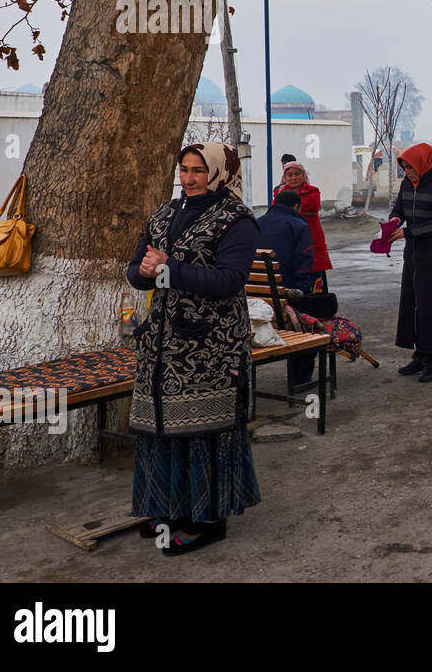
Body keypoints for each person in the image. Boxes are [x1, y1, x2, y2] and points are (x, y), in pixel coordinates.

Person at [125, 142, 260, 556]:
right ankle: (169, 507)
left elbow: (228, 282)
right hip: (161, 346)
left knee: (203, 431)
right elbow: (136, 271)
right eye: (183, 169)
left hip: (209, 349)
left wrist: (170, 268)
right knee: (163, 428)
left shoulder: (236, 221)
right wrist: (146, 272)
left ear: (219, 173)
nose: (189, 179)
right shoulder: (165, 214)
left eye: (199, 170)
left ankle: (207, 519)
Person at [385, 142, 432, 383]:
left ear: (423, 163)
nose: (407, 172)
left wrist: (407, 233)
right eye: (405, 168)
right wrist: (394, 222)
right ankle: (419, 355)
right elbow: (398, 209)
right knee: (414, 303)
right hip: (414, 256)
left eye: (410, 167)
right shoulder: (407, 184)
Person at [257, 189, 316, 386]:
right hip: (281, 306)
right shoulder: (299, 225)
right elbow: (303, 267)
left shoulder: (256, 223)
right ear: (296, 207)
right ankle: (300, 378)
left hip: (254, 303)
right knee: (310, 322)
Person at [278, 161, 332, 293]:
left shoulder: (313, 191)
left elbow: (311, 206)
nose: (293, 178)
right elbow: (277, 209)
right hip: (289, 238)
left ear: (303, 175)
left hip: (311, 238)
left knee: (315, 277)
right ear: (284, 178)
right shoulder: (280, 193)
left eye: (297, 174)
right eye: (289, 175)